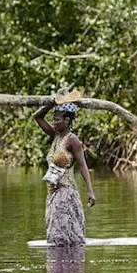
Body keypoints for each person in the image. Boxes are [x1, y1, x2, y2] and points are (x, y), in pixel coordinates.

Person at [33, 102, 95, 245]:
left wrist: (90, 191)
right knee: (55, 236)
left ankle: (71, 265)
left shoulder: (72, 139)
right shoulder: (55, 135)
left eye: (57, 119)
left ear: (67, 120)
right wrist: (52, 102)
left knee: (67, 235)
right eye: (53, 119)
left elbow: (83, 166)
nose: (54, 122)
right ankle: (59, 266)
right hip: (52, 194)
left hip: (66, 192)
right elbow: (37, 116)